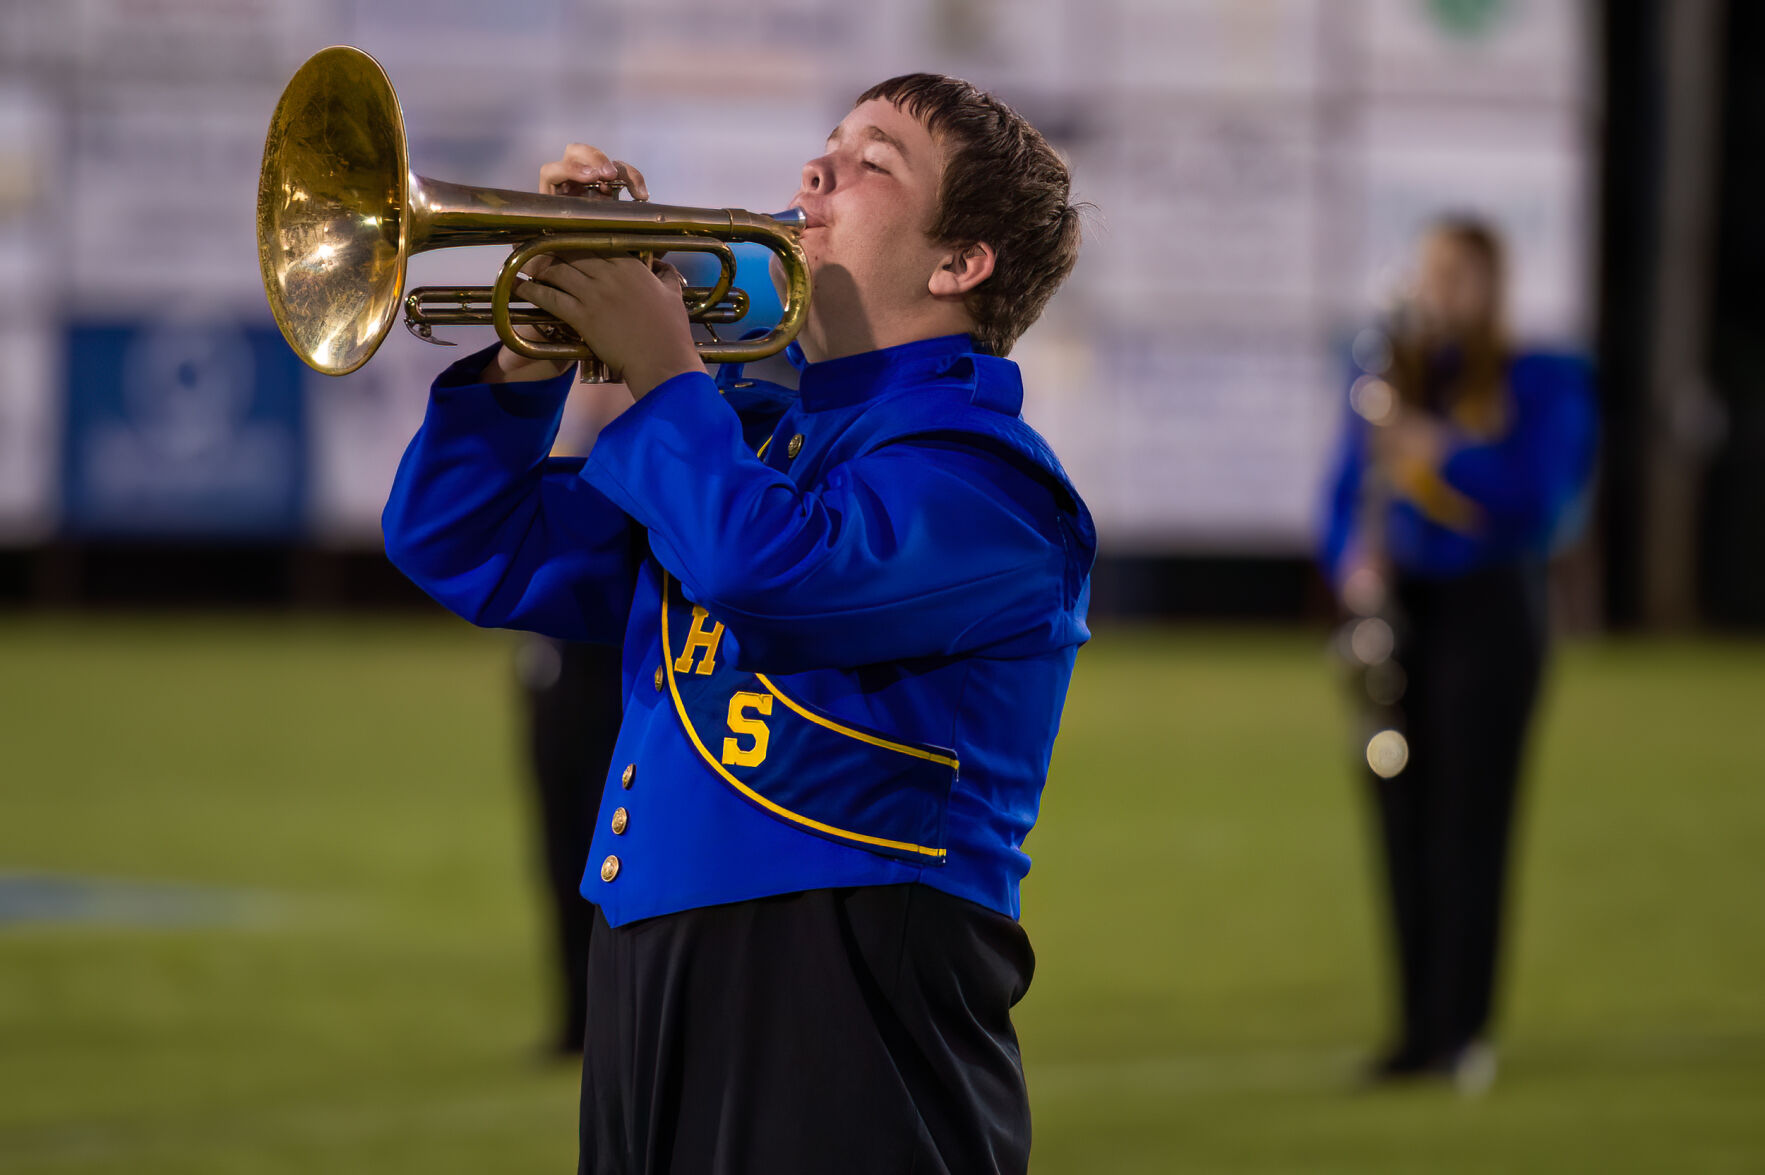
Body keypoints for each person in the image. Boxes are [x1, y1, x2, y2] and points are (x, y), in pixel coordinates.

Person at [383, 74, 1092, 1173]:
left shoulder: (994, 489)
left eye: (872, 163)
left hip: (843, 990)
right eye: (827, 145)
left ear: (961, 263)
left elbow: (768, 568)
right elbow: (464, 542)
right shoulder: (750, 440)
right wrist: (536, 345)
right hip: (651, 975)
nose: (815, 173)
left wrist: (664, 368)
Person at [1318, 218, 1597, 1092]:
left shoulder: (1537, 380)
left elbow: (1541, 503)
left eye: (1459, 276)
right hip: (1405, 610)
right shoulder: (1390, 376)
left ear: (1491, 285)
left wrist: (1434, 448)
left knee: (1469, 825)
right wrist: (1352, 560)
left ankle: (1461, 1030)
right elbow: (1340, 492)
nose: (1440, 291)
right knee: (1399, 819)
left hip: (1492, 608)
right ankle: (1413, 1028)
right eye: (1431, 273)